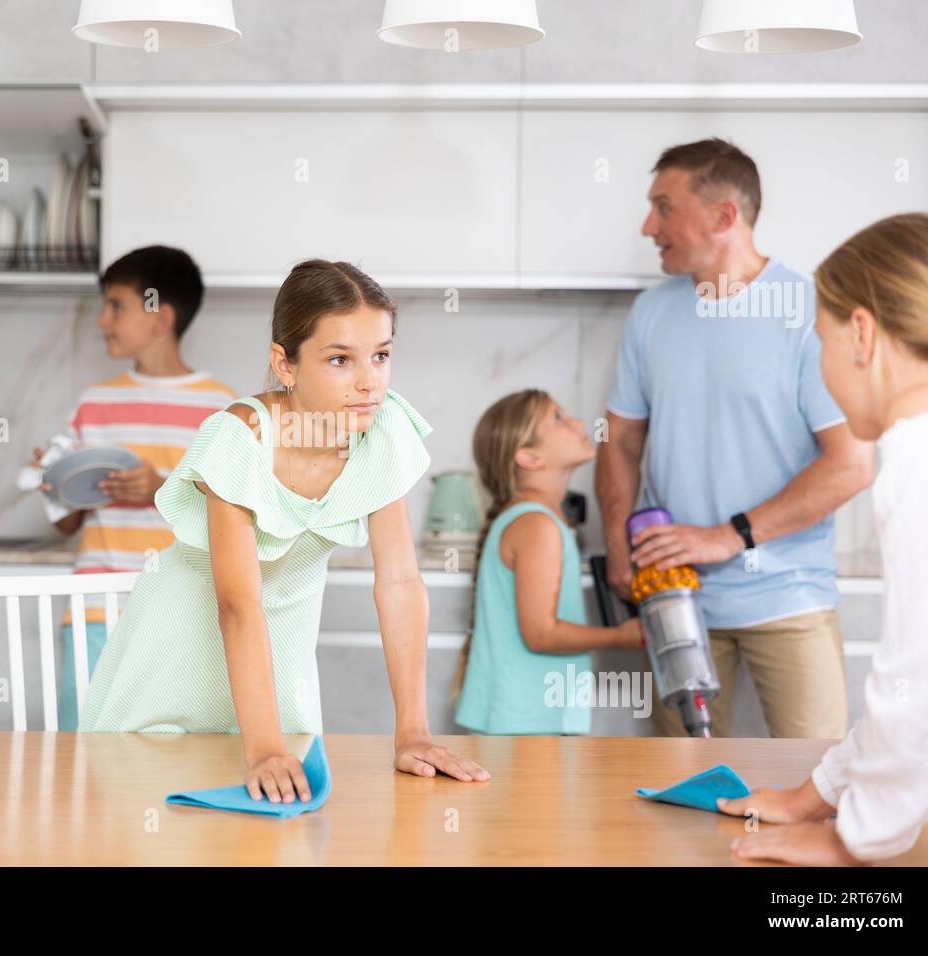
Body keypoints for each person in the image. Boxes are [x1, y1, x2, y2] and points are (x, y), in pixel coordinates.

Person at [81, 258, 489, 803]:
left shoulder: (383, 430)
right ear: (285, 363)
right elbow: (238, 602)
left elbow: (399, 583)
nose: (370, 381)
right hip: (176, 663)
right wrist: (264, 748)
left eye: (382, 355)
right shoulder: (239, 438)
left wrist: (412, 733)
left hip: (279, 674)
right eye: (340, 359)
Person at [595, 138, 873, 738]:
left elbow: (850, 464)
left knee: (819, 778)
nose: (648, 226)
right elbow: (618, 442)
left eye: (664, 207)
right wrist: (620, 545)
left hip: (789, 593)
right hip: (676, 596)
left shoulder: (811, 310)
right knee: (681, 793)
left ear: (725, 216)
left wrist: (728, 536)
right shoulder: (651, 313)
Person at [719, 212, 928, 864]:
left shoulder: (925, 456)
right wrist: (817, 795)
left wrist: (853, 840)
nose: (821, 370)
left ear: (861, 334)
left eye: (821, 342)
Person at [31, 246, 235, 730]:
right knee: (79, 747)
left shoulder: (223, 409)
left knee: (169, 753)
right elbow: (65, 524)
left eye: (116, 306)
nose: (102, 320)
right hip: (94, 608)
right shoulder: (94, 403)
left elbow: (236, 519)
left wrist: (160, 487)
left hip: (180, 609)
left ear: (159, 316)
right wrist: (57, 482)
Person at [455, 391, 643, 735]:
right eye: (557, 418)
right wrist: (620, 635)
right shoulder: (537, 527)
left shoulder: (534, 521)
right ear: (529, 456)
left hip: (517, 719)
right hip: (525, 722)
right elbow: (541, 634)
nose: (579, 423)